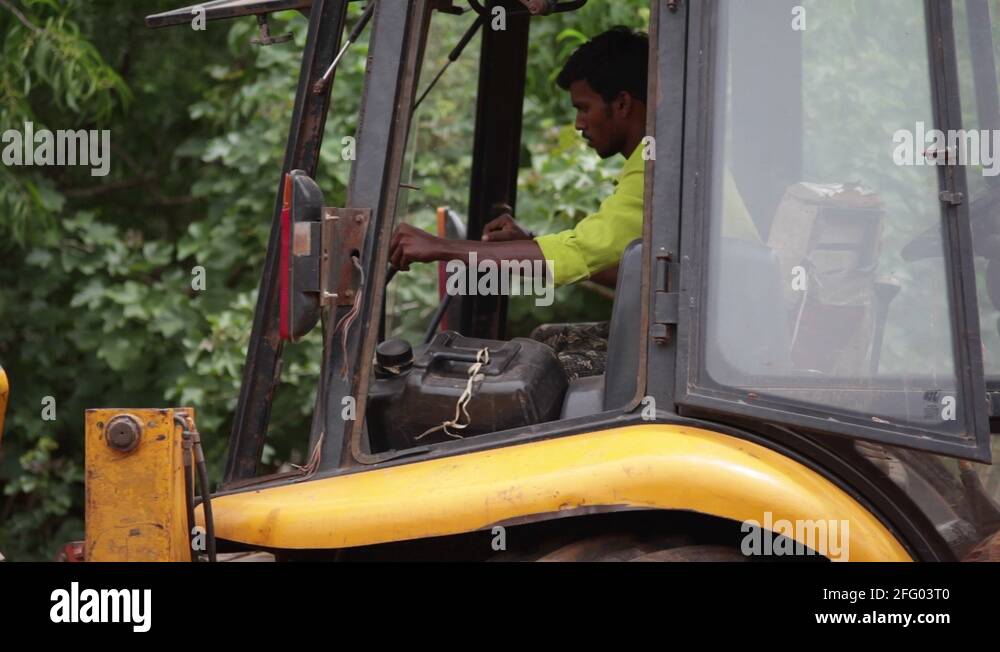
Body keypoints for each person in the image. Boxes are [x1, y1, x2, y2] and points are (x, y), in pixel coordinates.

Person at [389, 27, 649, 380]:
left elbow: (580, 254)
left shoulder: (654, 171)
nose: (578, 124)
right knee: (544, 340)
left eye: (584, 108)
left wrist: (440, 247)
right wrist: (527, 241)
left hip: (688, 348)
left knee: (534, 375)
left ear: (621, 103)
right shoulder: (653, 163)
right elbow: (632, 270)